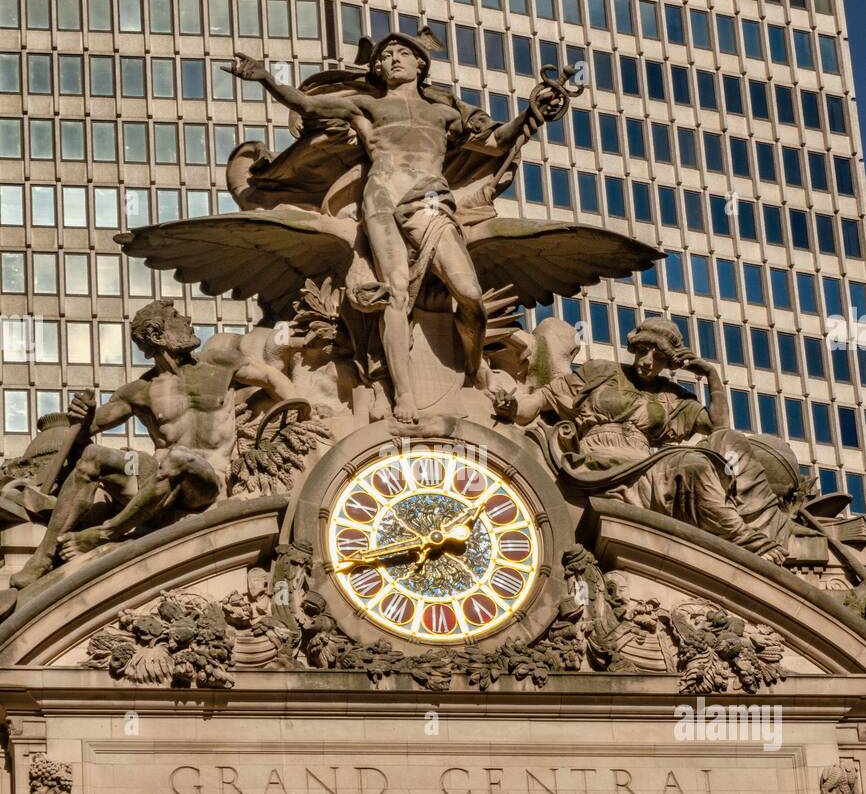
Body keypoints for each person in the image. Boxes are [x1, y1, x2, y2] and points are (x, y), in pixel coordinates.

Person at [225, 36, 560, 423]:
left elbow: (497, 140)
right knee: (395, 294)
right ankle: (404, 395)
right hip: (382, 198)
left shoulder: (445, 115)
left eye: (403, 53)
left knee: (469, 293)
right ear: (378, 69)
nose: (393, 59)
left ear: (421, 65)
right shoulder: (368, 105)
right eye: (385, 56)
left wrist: (531, 113)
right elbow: (307, 104)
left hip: (431, 202)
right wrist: (266, 77)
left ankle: (472, 370)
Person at [11, 301, 296, 588]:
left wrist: (302, 410)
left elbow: (272, 378)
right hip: (154, 482)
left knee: (180, 458)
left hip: (207, 483)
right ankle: (43, 557)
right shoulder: (139, 391)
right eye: (175, 317)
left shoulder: (220, 363)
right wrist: (83, 417)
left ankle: (103, 534)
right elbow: (85, 436)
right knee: (93, 456)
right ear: (157, 335)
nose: (186, 319)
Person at [494, 316, 795, 563]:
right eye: (643, 351)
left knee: (714, 453)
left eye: (660, 356)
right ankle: (747, 542)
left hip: (649, 464)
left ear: (670, 362)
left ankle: (752, 528)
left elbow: (718, 426)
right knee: (698, 468)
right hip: (600, 460)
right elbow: (544, 398)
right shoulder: (601, 371)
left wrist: (710, 375)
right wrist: (514, 406)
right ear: (634, 348)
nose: (648, 361)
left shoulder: (672, 396)